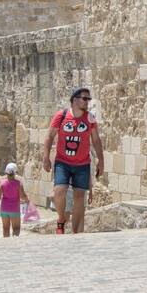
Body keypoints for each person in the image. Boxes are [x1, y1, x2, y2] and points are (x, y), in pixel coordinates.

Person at [41, 87, 105, 235]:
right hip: (63, 162)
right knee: (59, 190)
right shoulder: (61, 116)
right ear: (75, 99)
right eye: (85, 98)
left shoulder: (90, 118)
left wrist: (101, 160)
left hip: (82, 164)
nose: (87, 102)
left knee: (79, 197)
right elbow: (50, 136)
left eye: (89, 99)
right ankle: (61, 218)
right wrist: (45, 156)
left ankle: (77, 234)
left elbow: (96, 140)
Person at [0, 163, 25, 238]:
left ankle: (6, 246)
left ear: (6, 172)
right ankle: (14, 245)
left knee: (5, 229)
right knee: (16, 229)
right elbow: (22, 196)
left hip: (4, 209)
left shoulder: (2, 183)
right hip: (14, 210)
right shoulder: (18, 184)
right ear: (15, 173)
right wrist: (27, 200)